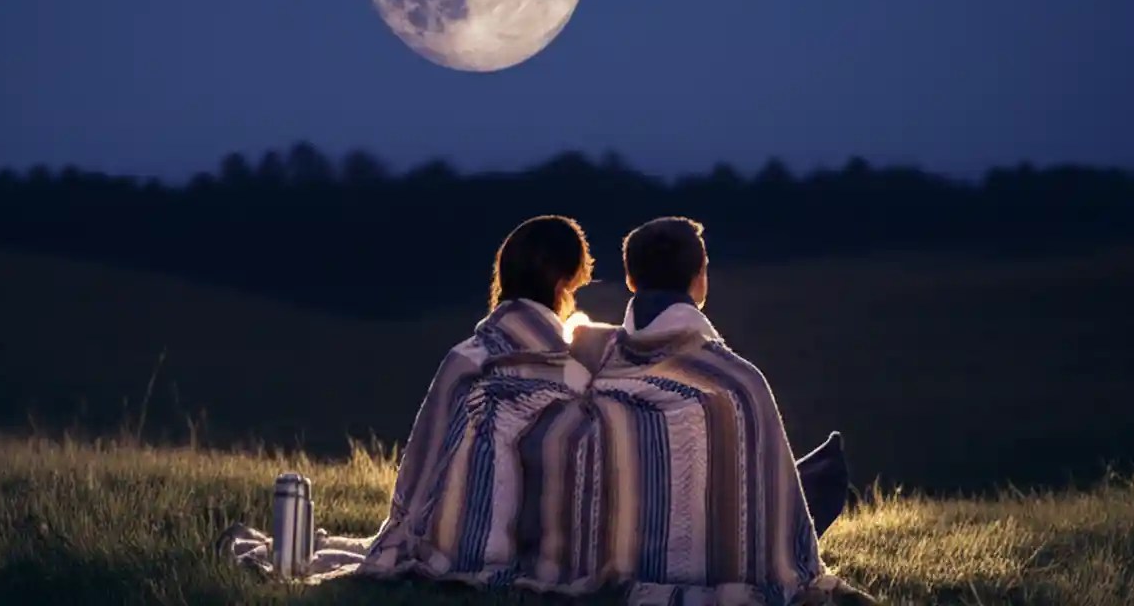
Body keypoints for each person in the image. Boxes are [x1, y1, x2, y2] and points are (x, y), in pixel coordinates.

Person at [563, 216, 873, 604]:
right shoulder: (739, 382)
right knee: (814, 481)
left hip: (610, 555)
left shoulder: (589, 359)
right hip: (717, 563)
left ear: (630, 280)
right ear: (700, 278)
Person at [353, 214, 597, 584]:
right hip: (553, 553)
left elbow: (421, 466)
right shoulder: (578, 370)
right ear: (564, 284)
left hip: (448, 546)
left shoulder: (466, 359)